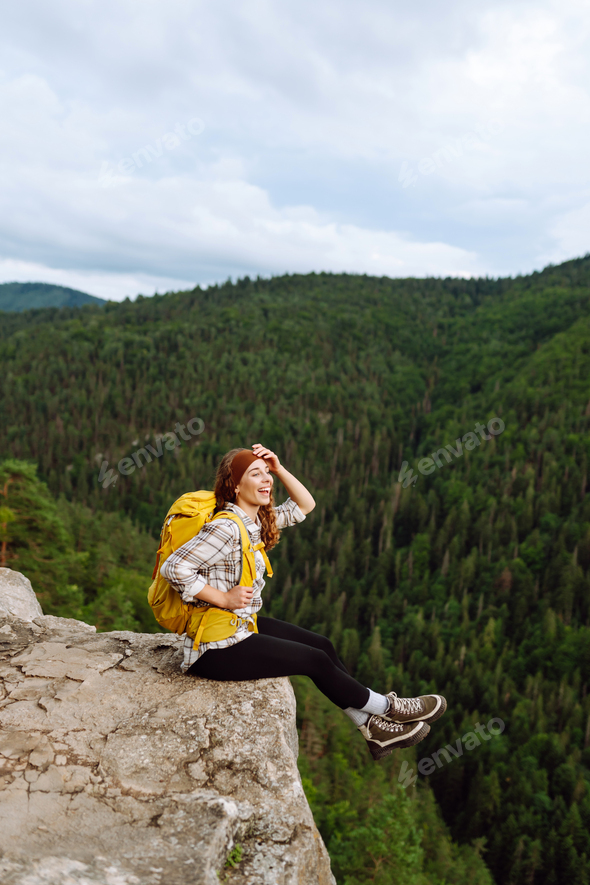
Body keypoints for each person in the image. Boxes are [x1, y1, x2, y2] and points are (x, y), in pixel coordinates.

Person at [160, 444, 446, 760]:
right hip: (214, 649)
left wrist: (279, 468)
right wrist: (222, 597)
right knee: (315, 662)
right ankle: (389, 708)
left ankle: (370, 727)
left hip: (238, 628)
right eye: (255, 474)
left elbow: (304, 505)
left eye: (266, 473)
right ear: (235, 485)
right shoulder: (227, 526)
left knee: (322, 644)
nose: (265, 479)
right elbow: (174, 567)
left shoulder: (254, 521)